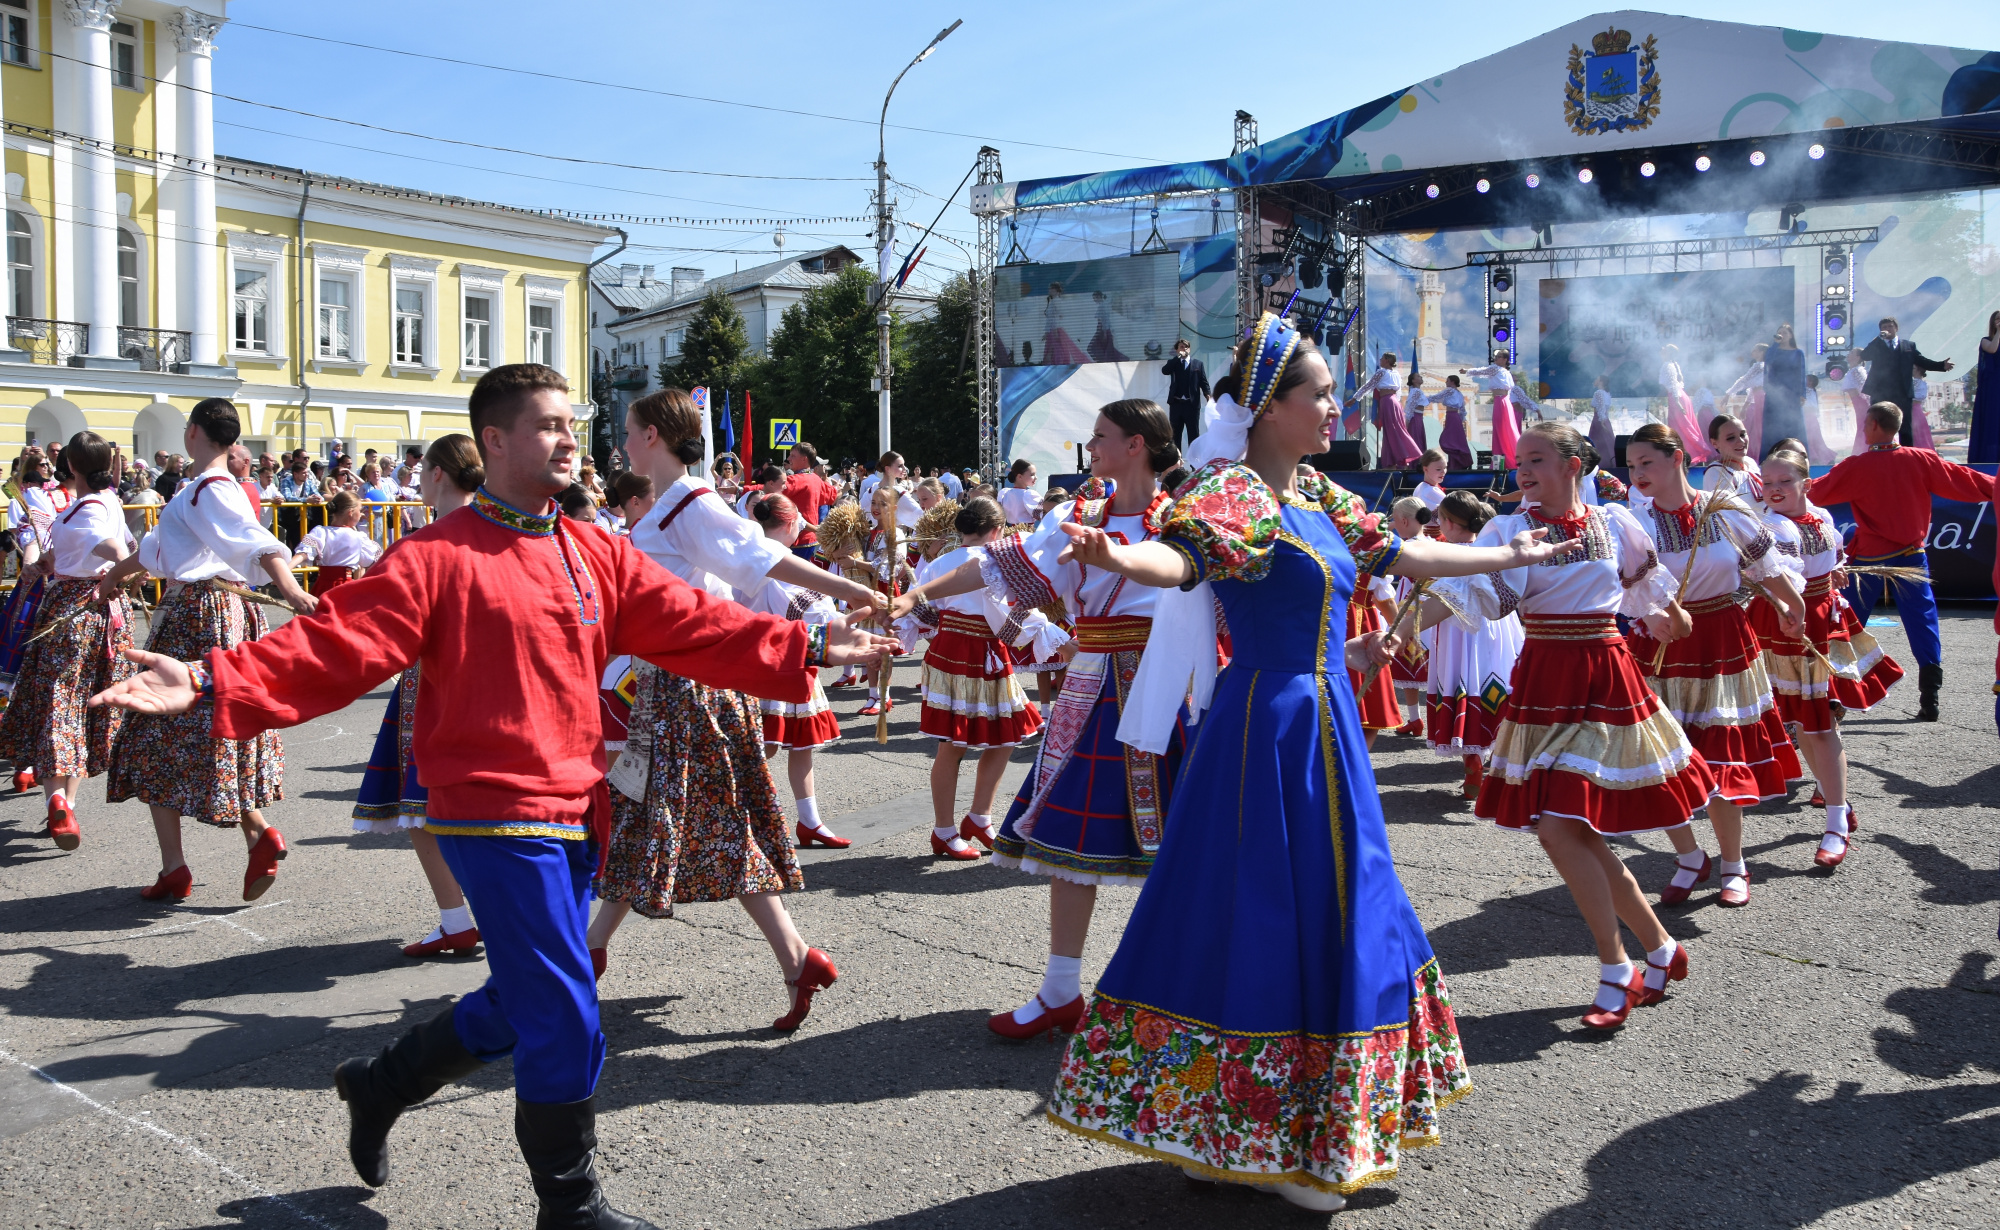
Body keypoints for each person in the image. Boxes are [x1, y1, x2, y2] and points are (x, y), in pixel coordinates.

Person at [91, 365, 896, 1230]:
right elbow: (338, 641)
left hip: (578, 801)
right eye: (546, 425)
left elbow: (695, 622)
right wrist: (214, 680)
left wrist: (808, 641)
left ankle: (382, 1081)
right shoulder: (436, 555)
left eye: (570, 425)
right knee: (565, 1009)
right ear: (496, 443)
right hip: (491, 812)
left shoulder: (593, 547)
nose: (566, 440)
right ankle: (572, 1207)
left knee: (528, 994)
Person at [1038, 314, 1576, 1208]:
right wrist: (1118, 554)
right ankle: (1257, 1133)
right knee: (1261, 910)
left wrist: (1506, 551)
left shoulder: (1320, 497)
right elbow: (1179, 562)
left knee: (1325, 904)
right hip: (1266, 726)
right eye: (1319, 394)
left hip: (1324, 721)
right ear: (1266, 407)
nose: (1335, 406)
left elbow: (1403, 554)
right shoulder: (1231, 494)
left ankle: (1278, 1129)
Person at [585, 387, 890, 1030]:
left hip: (693, 687)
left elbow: (764, 564)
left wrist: (840, 593)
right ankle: (591, 951)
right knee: (648, 814)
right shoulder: (671, 505)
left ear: (652, 437)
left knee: (702, 820)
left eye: (630, 428)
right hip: (666, 686)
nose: (621, 439)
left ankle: (789, 954)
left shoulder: (689, 502)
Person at [892, 399, 1187, 1043]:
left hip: (1173, 686)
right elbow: (997, 564)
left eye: (1101, 436)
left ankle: (1187, 995)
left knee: (1196, 846)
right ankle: (1060, 990)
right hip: (1092, 684)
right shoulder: (1078, 515)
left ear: (1136, 445)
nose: (1092, 446)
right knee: (1072, 843)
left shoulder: (1189, 518)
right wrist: (918, 593)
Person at [1465, 421, 1710, 1027]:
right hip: (1545, 678)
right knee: (1572, 831)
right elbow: (1481, 599)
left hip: (1604, 677)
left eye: (1538, 458)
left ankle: (1616, 966)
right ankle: (1658, 948)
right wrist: (1398, 632)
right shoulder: (1510, 529)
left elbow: (1644, 591)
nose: (1523, 470)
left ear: (1574, 465)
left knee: (1560, 827)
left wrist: (1668, 618)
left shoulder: (1616, 522)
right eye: (1519, 460)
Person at [96, 398, 319, 904]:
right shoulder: (200, 489)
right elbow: (155, 552)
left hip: (200, 611)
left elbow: (251, 540)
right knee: (213, 728)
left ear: (193, 431)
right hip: (219, 610)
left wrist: (291, 589)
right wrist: (115, 574)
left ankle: (192, 859)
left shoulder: (211, 489)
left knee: (158, 732)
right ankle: (242, 838)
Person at [1623, 423, 1806, 911]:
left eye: (1648, 463)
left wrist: (1794, 608)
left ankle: (1733, 864)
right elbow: (1629, 590)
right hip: (1663, 649)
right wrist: (1652, 618)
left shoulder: (1723, 509)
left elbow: (1764, 565)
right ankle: (1688, 856)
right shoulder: (1632, 523)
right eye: (1632, 465)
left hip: (1724, 640)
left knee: (1723, 759)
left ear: (1678, 458)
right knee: (1659, 761)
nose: (1638, 473)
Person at [351, 434, 487, 958]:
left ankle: (461, 918)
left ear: (436, 475)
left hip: (436, 682)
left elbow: (386, 624)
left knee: (427, 807)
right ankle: (470, 918)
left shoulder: (425, 544)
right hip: (488, 681)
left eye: (423, 468)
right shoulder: (505, 532)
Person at [1754, 446, 1901, 871]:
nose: (1775, 489)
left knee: (1817, 722)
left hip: (1814, 621)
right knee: (1803, 721)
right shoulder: (1771, 525)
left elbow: (1830, 559)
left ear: (1807, 483)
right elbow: (1772, 578)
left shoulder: (1820, 516)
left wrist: (1834, 573)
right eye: (1768, 483)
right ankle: (1838, 804)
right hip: (1781, 622)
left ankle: (1836, 819)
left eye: (1785, 482)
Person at [1808, 401, 1994, 721]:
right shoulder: (1920, 460)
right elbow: (1965, 480)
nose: (1862, 428)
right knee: (1923, 623)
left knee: (1844, 624)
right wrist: (1997, 487)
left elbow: (1813, 494)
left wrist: (1770, 492)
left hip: (1868, 561)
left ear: (1877, 426)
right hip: (1910, 555)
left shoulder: (1856, 466)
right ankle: (1930, 697)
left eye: (1865, 423)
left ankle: (1828, 696)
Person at [0, 432, 136, 847]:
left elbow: (113, 547)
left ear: (71, 466)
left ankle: (57, 798)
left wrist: (123, 569)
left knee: (59, 705)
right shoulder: (108, 500)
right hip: (108, 616)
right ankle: (66, 807)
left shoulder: (84, 510)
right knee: (85, 706)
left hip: (73, 610)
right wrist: (40, 566)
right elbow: (111, 545)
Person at [905, 495, 1056, 859]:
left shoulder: (938, 562)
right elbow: (1006, 615)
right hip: (972, 652)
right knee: (959, 743)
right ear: (997, 530)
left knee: (1001, 737)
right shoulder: (992, 561)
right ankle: (945, 830)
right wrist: (1054, 638)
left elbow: (923, 617)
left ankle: (978, 817)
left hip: (952, 651)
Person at [741, 494, 851, 850]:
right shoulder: (769, 562)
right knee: (763, 747)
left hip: (790, 659)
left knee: (800, 743)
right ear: (789, 526)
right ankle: (740, 822)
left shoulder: (756, 558)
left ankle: (810, 821)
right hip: (772, 662)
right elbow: (801, 612)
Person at [1418, 490, 1524, 799]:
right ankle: (1494, 761)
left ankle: (1473, 768)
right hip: (1498, 631)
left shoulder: (1449, 556)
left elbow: (1432, 601)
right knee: (1495, 684)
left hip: (1459, 636)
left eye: (1440, 519)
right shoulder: (1492, 551)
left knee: (1465, 681)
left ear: (1449, 523)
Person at [0, 448, 63, 709]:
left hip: (54, 580)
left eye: (50, 464)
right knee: (25, 636)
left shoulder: (58, 500)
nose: (47, 468)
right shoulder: (30, 500)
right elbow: (30, 536)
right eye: (43, 464)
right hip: (43, 578)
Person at [1859, 317, 1955, 444]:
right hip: (1880, 392)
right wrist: (1879, 338)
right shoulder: (1877, 345)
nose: (1887, 329)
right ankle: (1879, 455)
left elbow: (1922, 360)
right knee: (1879, 425)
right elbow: (1865, 355)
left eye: (1889, 326)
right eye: (1884, 327)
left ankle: (1906, 454)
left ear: (1896, 328)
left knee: (1905, 427)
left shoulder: (1908, 346)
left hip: (1902, 393)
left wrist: (1941, 365)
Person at [292, 491, 383, 596]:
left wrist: (287, 569)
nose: (361, 514)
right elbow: (370, 561)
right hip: (344, 587)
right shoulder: (358, 537)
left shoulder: (321, 531)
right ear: (351, 512)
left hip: (322, 586)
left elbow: (304, 553)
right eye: (360, 510)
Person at [1354, 351, 1419, 470]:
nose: (1380, 360)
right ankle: (1392, 462)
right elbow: (1398, 393)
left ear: (1387, 360)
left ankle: (1403, 457)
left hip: (1388, 402)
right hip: (1393, 402)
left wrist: (1355, 398)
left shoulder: (1381, 372)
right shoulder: (1396, 374)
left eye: (1382, 358)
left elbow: (1369, 385)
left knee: (1393, 431)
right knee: (1391, 432)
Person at [1462, 350, 1524, 467]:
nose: (1495, 359)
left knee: (1503, 429)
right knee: (1502, 429)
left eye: (1498, 357)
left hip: (1502, 401)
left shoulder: (1498, 370)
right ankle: (1505, 459)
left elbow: (1482, 371)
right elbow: (1484, 372)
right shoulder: (1501, 371)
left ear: (1505, 359)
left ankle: (1514, 457)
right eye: (1495, 357)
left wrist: (1467, 371)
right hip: (1502, 401)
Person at [1658, 345, 1711, 464]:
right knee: (1682, 427)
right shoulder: (1672, 364)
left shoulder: (1668, 365)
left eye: (1663, 349)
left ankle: (1688, 455)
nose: (1661, 351)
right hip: (1678, 396)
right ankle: (1686, 455)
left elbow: (1672, 385)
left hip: (1677, 397)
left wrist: (1677, 403)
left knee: (1681, 427)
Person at [1761, 323, 1809, 451]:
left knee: (1793, 424)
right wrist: (1775, 344)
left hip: (1792, 394)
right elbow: (1768, 364)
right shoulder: (1773, 351)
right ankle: (1771, 454)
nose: (1782, 334)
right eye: (1780, 332)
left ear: (1791, 336)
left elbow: (1801, 373)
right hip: (1774, 394)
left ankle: (1796, 453)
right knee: (1773, 427)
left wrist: (1802, 393)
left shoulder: (1798, 353)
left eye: (1785, 332)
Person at [1160, 337, 1210, 451]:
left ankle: (1195, 464)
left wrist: (1208, 394)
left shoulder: (1198, 364)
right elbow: (1165, 371)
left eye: (1186, 346)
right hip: (1176, 404)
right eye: (1181, 347)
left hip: (1191, 404)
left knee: (1193, 434)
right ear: (1177, 350)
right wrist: (1177, 358)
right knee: (1175, 435)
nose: (1184, 349)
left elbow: (1203, 382)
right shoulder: (1173, 363)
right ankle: (1177, 463)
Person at [1701, 413, 1763, 503]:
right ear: (1714, 443)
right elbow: (1728, 513)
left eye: (1742, 434)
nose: (1741, 441)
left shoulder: (1750, 463)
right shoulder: (1716, 473)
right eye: (1731, 438)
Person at [1725, 344, 1768, 458]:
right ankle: (1760, 455)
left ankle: (1760, 455)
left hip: (1761, 397)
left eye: (1755, 350)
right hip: (1760, 397)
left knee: (1760, 428)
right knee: (1760, 428)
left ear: (1761, 352)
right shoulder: (1763, 366)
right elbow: (1752, 388)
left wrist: (1729, 393)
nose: (1752, 353)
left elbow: (1744, 380)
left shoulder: (1759, 366)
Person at [1970, 310, 2000, 464]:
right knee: (1993, 420)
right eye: (1997, 319)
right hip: (1993, 386)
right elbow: (1993, 349)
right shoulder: (1985, 340)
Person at [1436, 373, 1474, 469]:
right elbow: (1462, 409)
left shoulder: (1450, 391)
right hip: (1454, 417)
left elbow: (1437, 397)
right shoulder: (1459, 394)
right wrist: (1461, 419)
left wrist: (1425, 400)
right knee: (1453, 440)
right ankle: (1456, 463)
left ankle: (1457, 462)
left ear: (1452, 382)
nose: (1445, 382)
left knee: (1449, 440)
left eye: (1447, 381)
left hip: (1452, 416)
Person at [997, 458, 1040, 525]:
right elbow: (1041, 514)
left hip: (1010, 531)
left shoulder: (1004, 493)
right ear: (1020, 476)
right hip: (1027, 532)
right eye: (1032, 475)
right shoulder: (1029, 494)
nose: (1036, 477)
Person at [1588, 374, 1616, 463]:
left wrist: (1602, 421)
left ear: (1601, 382)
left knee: (1599, 443)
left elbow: (1601, 408)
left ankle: (1602, 462)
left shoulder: (1599, 392)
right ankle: (1609, 461)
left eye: (1597, 379)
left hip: (1600, 419)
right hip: (1603, 419)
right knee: (1608, 442)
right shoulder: (1607, 393)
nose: (1595, 380)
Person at [1910, 366, 1938, 450]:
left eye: (1913, 368)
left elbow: (1918, 398)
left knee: (1918, 434)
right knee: (1919, 434)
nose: (1911, 370)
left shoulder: (1918, 383)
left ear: (1919, 370)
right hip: (1916, 411)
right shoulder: (1919, 383)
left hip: (1915, 411)